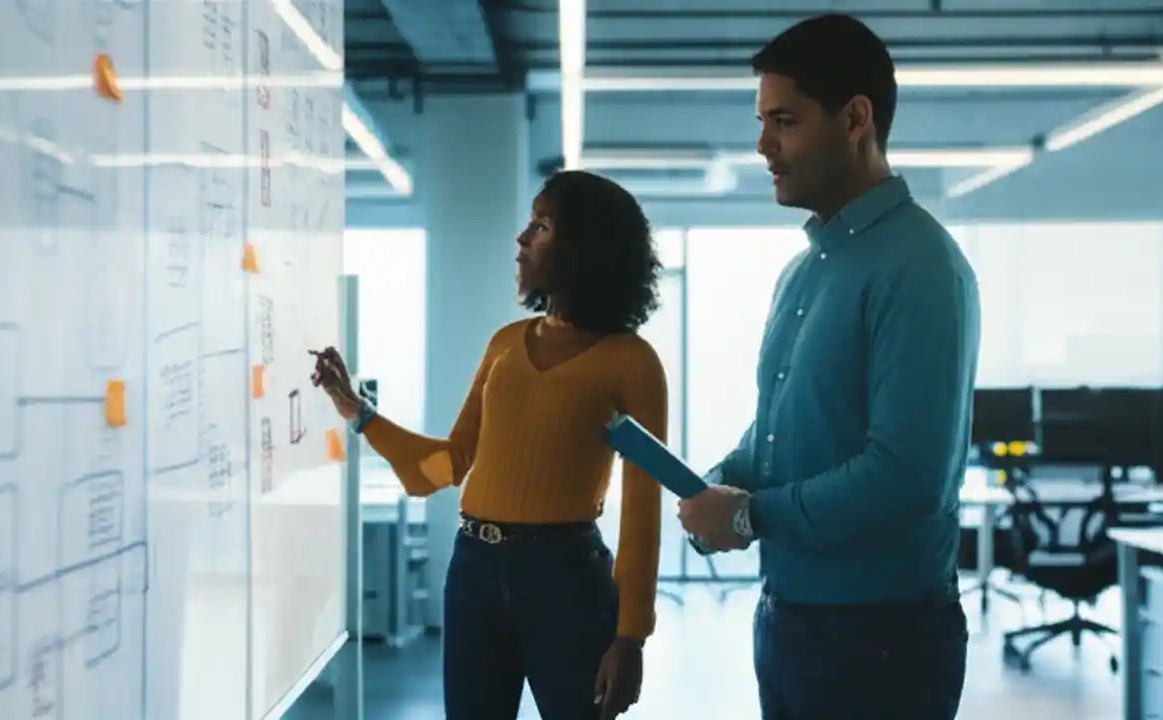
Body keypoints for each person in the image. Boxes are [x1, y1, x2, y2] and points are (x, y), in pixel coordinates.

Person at [676, 13, 980, 720]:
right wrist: (727, 479)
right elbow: (785, 428)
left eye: (783, 120)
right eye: (761, 121)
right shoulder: (803, 271)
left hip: (881, 641)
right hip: (791, 621)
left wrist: (750, 517)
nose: (762, 145)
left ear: (855, 119)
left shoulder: (922, 267)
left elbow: (906, 476)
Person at [311, 170, 667, 720]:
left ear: (583, 249)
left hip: (567, 578)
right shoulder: (505, 344)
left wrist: (631, 637)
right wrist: (358, 413)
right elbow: (446, 464)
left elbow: (644, 508)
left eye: (542, 226)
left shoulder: (632, 361)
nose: (523, 240)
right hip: (473, 569)